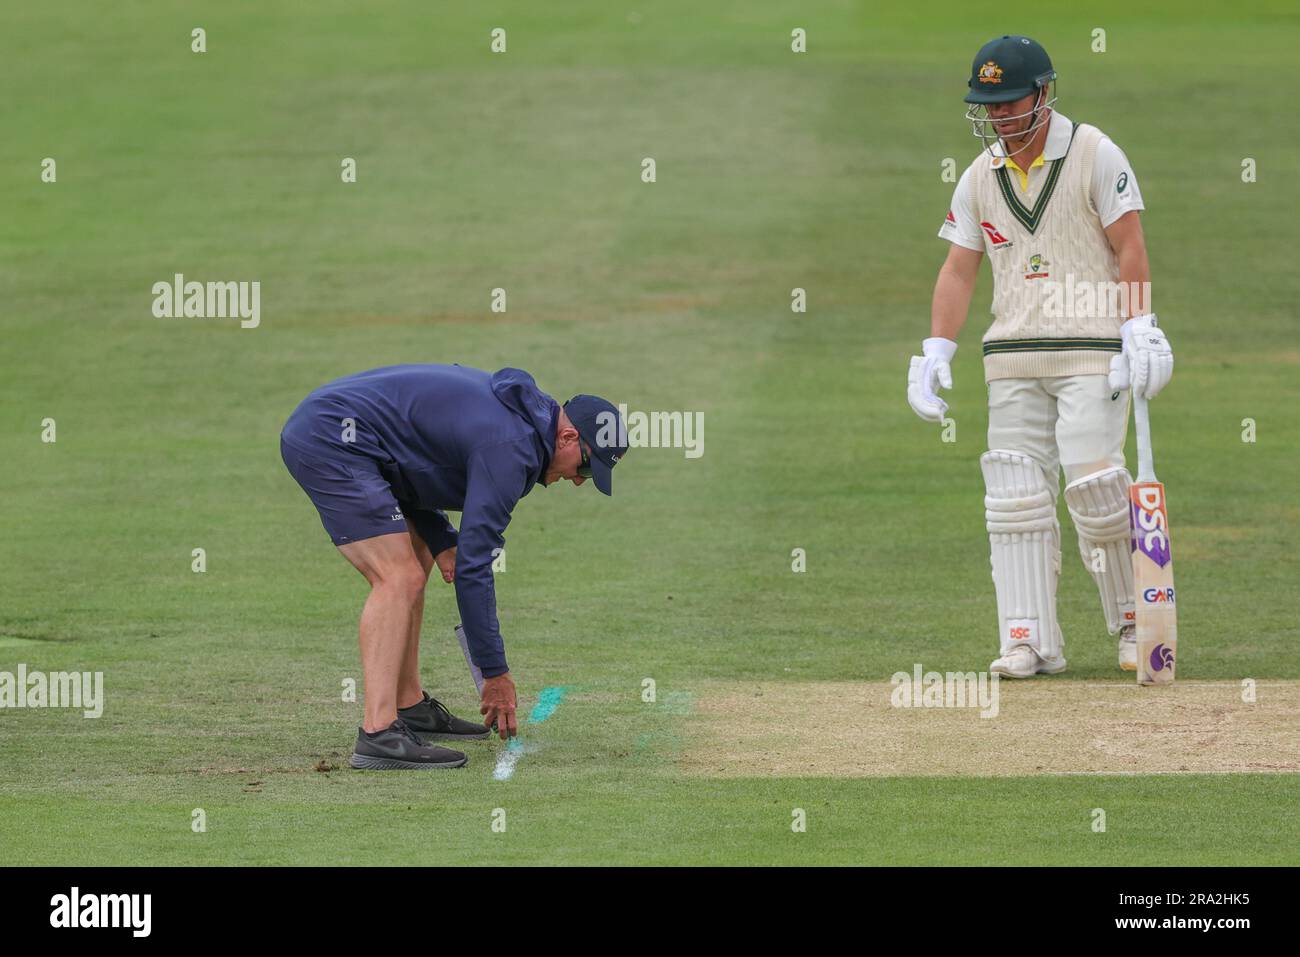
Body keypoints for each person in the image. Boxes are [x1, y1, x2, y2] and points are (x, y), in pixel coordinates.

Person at [909, 35, 1174, 677]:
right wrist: (936, 346)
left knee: (1097, 488)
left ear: (1044, 93)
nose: (997, 116)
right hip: (1012, 357)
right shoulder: (980, 175)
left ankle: (1135, 624)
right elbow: (958, 269)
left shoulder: (1094, 154)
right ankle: (1028, 640)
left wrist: (1139, 325)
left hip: (1091, 349)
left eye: (1008, 102)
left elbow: (1129, 245)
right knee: (1016, 498)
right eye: (987, 104)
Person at [280, 364, 627, 767]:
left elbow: (410, 463)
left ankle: (408, 705)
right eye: (586, 467)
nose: (580, 481)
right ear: (568, 437)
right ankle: (378, 734)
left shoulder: (525, 426)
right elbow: (474, 568)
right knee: (398, 576)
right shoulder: (511, 450)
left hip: (353, 436)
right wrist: (494, 673)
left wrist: (443, 539)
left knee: (420, 555)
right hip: (330, 438)